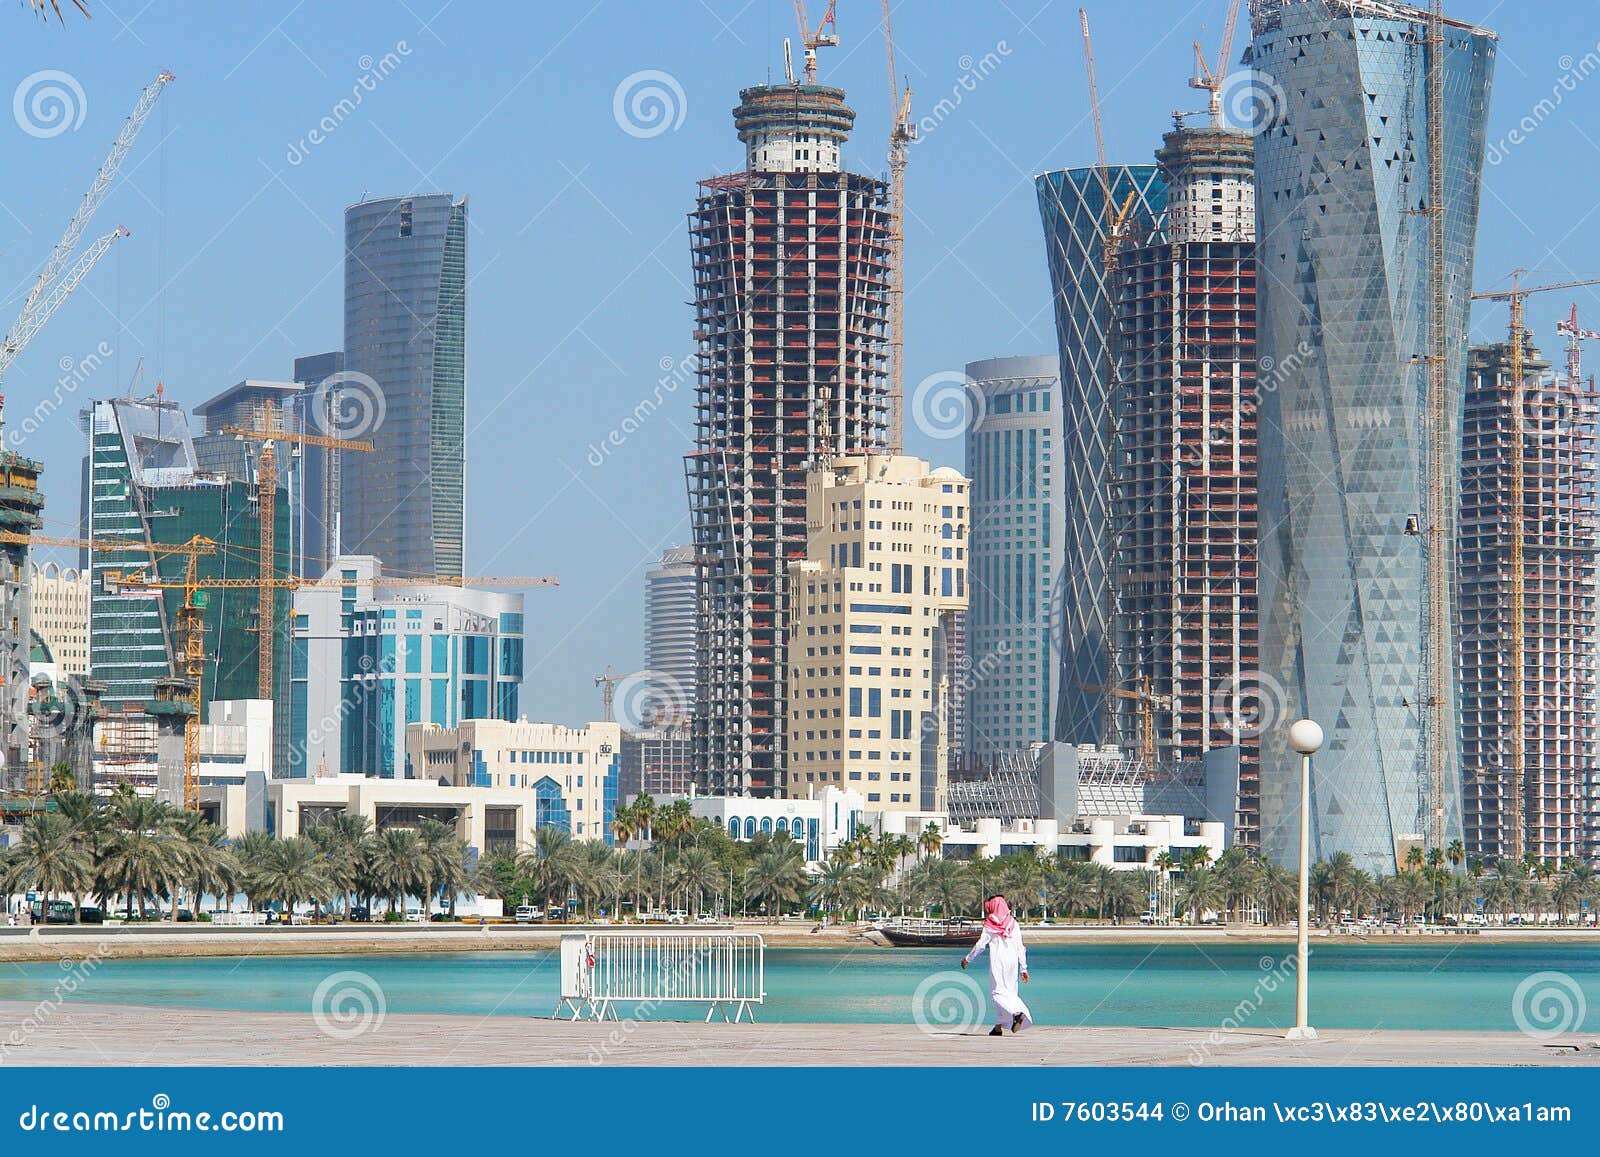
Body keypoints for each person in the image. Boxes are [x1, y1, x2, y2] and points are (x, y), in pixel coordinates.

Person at [961, 895, 1032, 1035]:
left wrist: (967, 959)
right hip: (1013, 963)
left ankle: (1016, 1014)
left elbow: (981, 945)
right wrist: (1023, 967)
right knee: (1009, 992)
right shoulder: (1013, 923)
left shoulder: (990, 924)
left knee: (997, 993)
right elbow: (1020, 947)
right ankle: (998, 1026)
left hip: (998, 962)